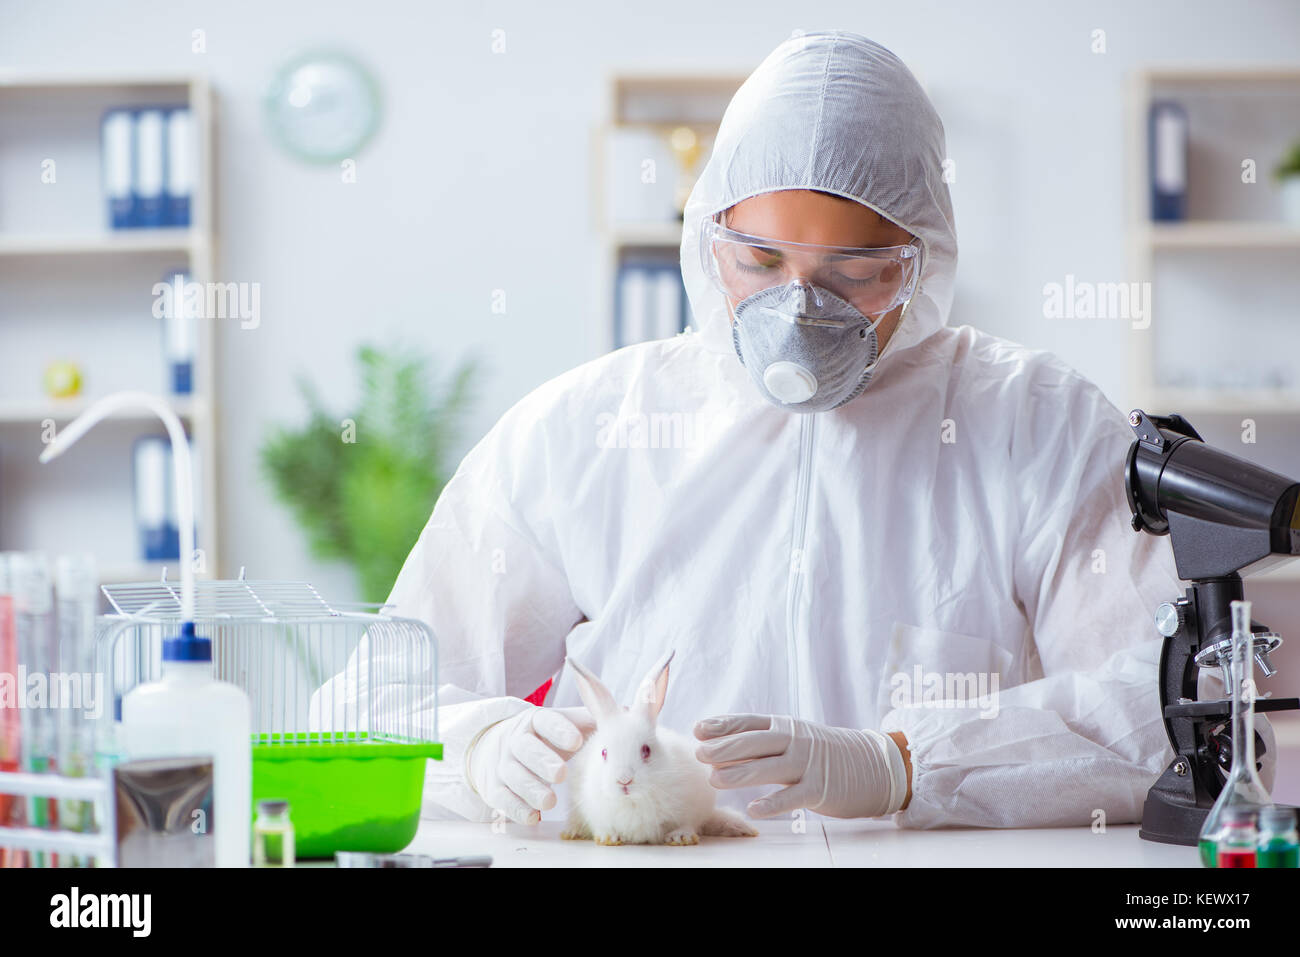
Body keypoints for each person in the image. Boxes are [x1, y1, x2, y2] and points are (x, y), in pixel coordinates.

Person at [316, 30, 1272, 829]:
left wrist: (907, 763)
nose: (797, 307)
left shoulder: (1036, 424)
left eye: (855, 271)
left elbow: (1175, 706)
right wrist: (478, 748)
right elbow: (360, 710)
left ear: (922, 259)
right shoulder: (587, 433)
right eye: (759, 258)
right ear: (706, 237)